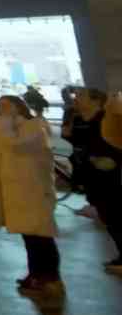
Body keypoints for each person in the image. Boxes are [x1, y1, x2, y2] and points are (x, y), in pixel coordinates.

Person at [0, 95, 64, 300]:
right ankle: (35, 273)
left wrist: (2, 123)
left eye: (7, 105)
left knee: (41, 235)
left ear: (19, 107)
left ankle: (51, 277)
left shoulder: (35, 126)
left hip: (33, 190)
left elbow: (16, 145)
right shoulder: (3, 126)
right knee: (29, 236)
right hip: (14, 192)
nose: (2, 109)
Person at [86, 92, 122, 273]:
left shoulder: (107, 120)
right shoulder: (90, 120)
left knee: (115, 217)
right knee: (110, 218)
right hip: (101, 177)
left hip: (112, 177)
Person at [63, 88, 107, 219]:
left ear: (96, 100)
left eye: (81, 95)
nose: (75, 98)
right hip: (83, 166)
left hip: (104, 171)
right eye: (75, 95)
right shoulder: (76, 119)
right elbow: (68, 136)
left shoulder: (106, 119)